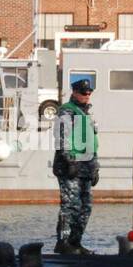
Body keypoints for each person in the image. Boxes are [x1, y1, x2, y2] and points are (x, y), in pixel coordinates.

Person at [52, 78, 99, 254]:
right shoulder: (67, 111)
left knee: (86, 206)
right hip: (70, 167)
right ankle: (63, 242)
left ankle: (75, 242)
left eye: (89, 93)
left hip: (87, 167)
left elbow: (93, 142)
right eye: (83, 92)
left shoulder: (86, 113)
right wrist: (70, 161)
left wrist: (95, 168)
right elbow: (62, 139)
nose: (87, 95)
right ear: (74, 92)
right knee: (70, 205)